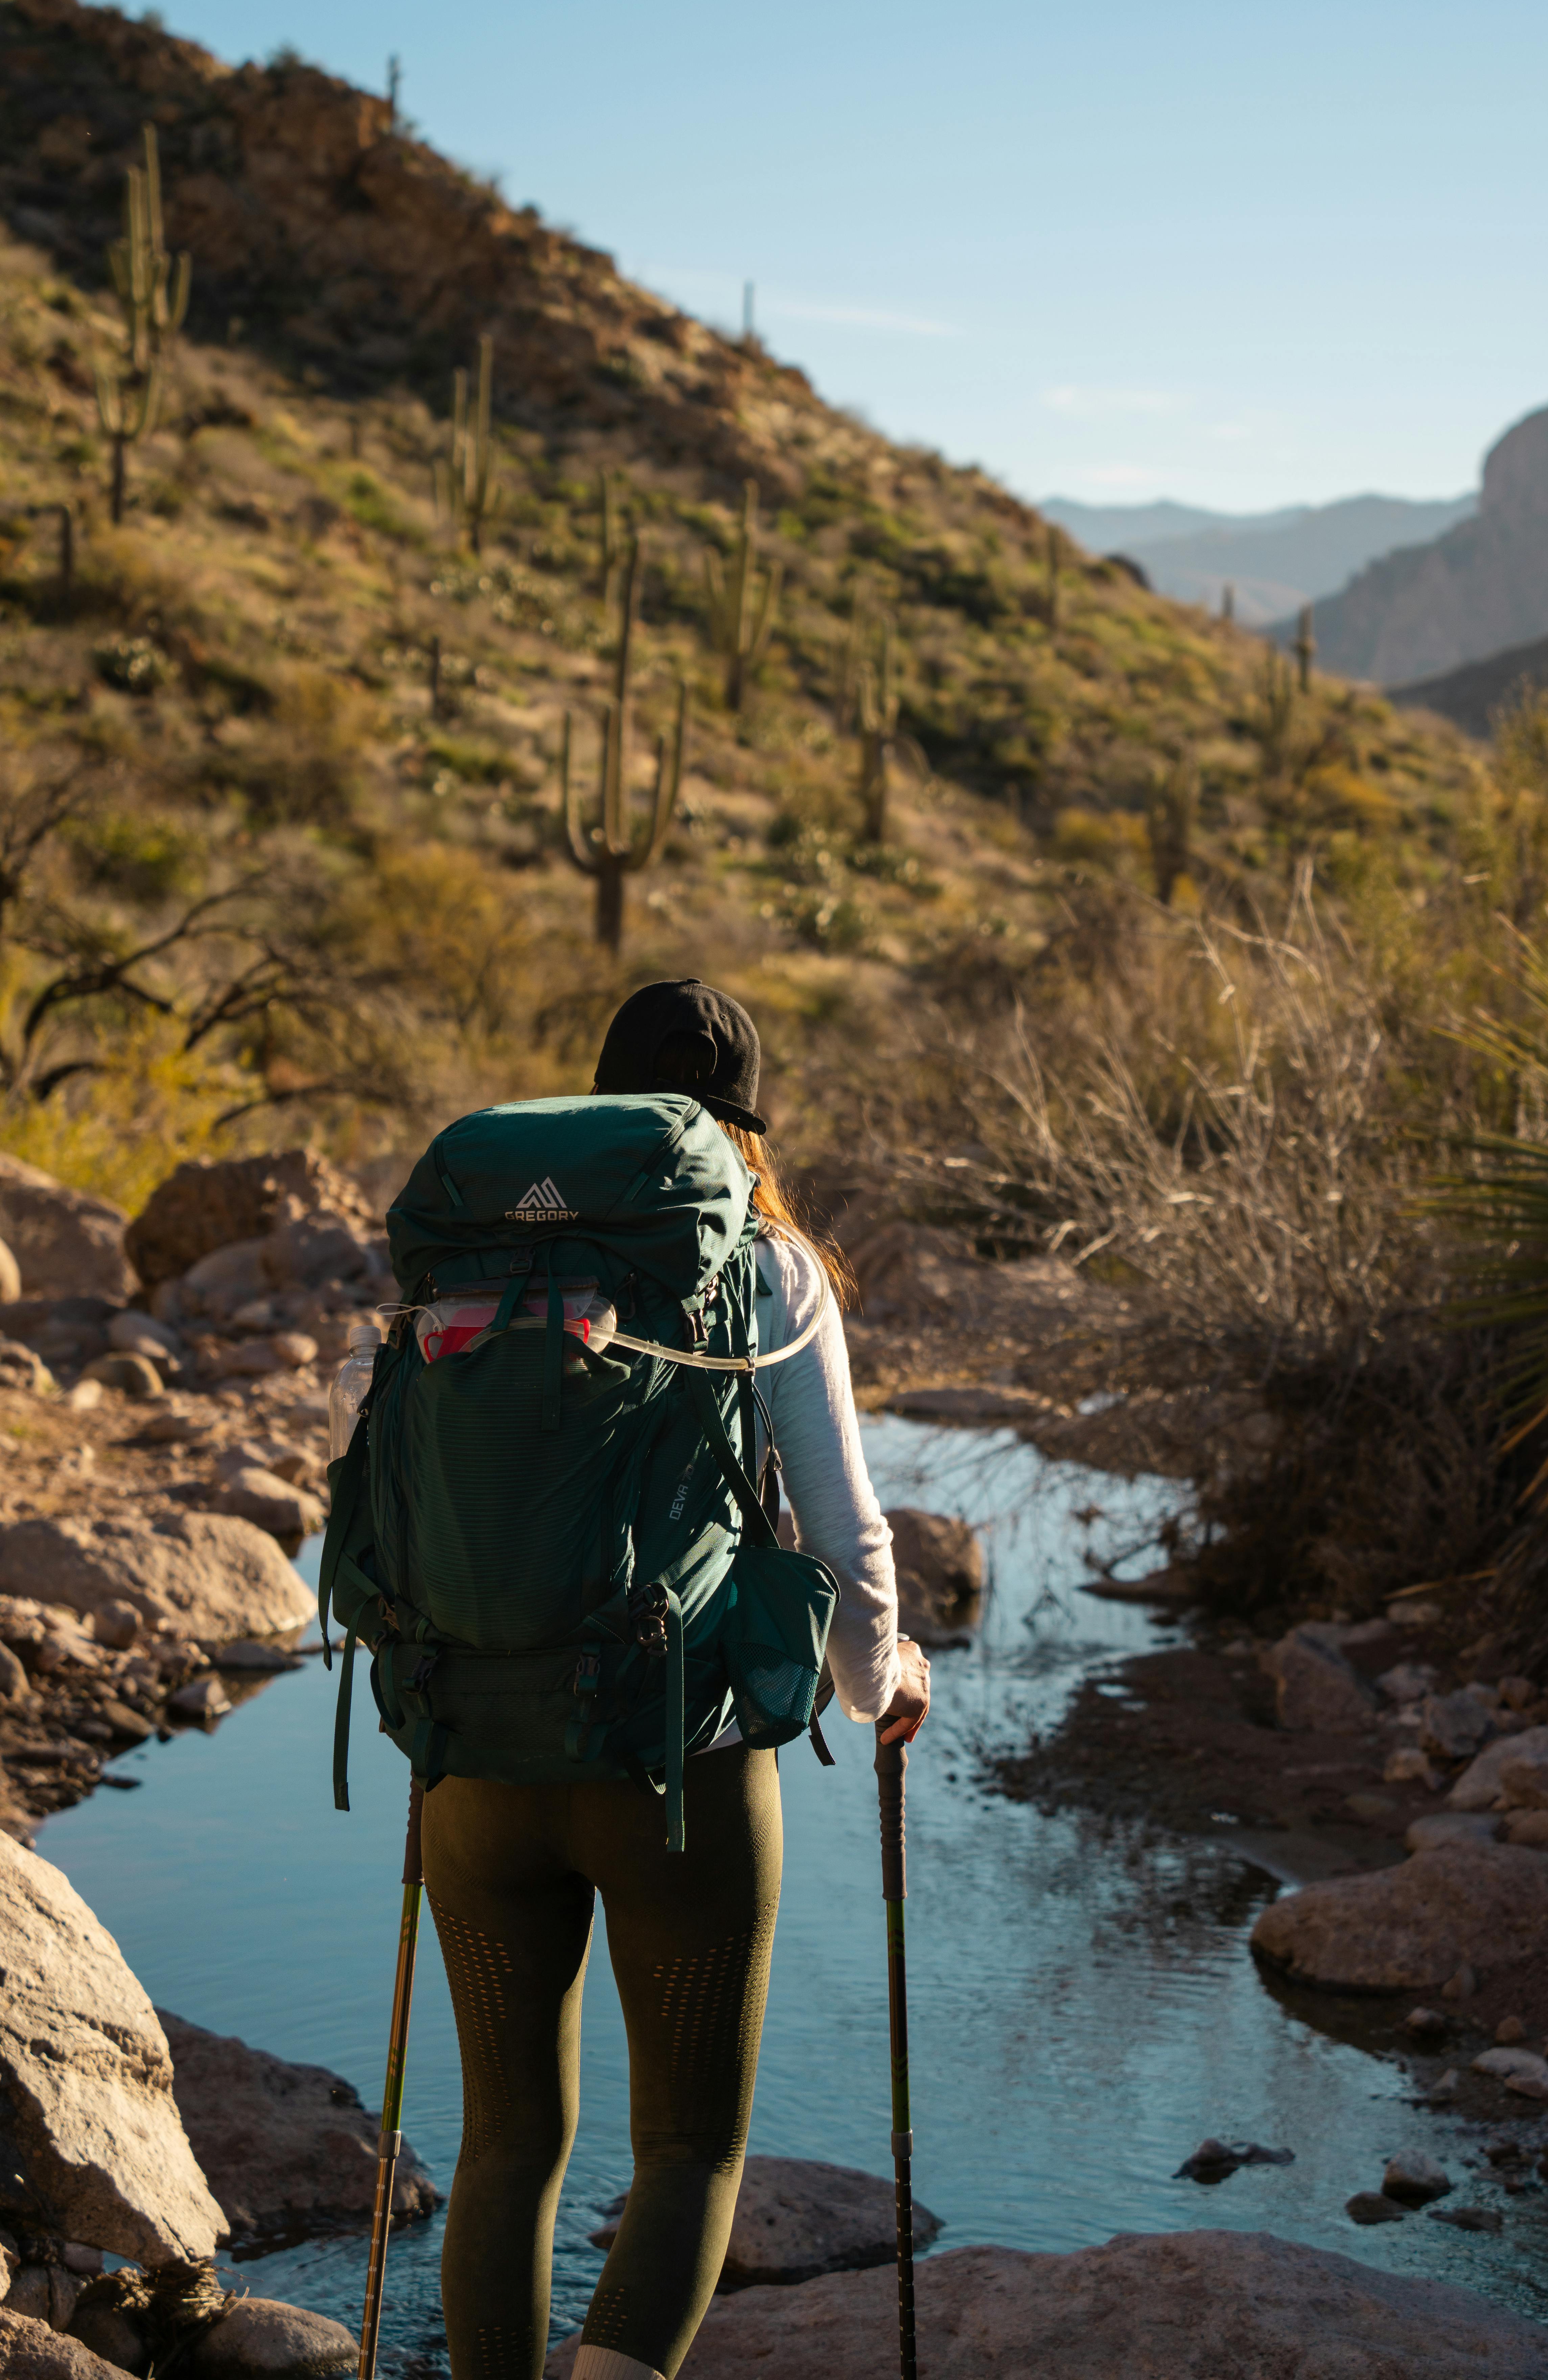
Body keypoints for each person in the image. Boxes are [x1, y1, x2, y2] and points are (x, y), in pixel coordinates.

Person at [418, 979, 930, 2380]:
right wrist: (876, 1684)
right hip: (678, 1774)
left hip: (473, 1761)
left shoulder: (468, 1259)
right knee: (690, 2149)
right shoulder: (761, 1262)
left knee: (506, 2143)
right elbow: (841, 1529)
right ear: (746, 1126)